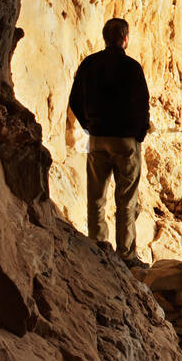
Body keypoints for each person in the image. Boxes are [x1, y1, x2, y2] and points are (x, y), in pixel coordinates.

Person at [68, 18, 150, 267]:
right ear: (125, 39)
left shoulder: (90, 64)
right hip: (124, 141)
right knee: (126, 200)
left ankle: (98, 248)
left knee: (96, 197)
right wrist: (139, 134)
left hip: (98, 138)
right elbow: (142, 105)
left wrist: (89, 126)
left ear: (105, 38)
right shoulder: (132, 67)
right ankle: (126, 255)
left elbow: (75, 99)